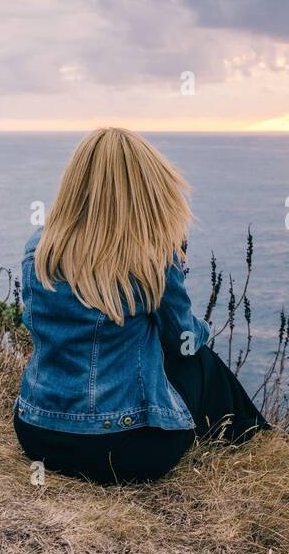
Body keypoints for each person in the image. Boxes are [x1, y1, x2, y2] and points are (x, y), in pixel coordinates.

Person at [14, 127, 266, 484]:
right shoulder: (149, 255)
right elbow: (184, 339)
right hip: (126, 448)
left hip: (39, 435)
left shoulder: (40, 248)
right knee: (201, 361)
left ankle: (253, 434)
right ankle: (253, 437)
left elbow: (36, 325)